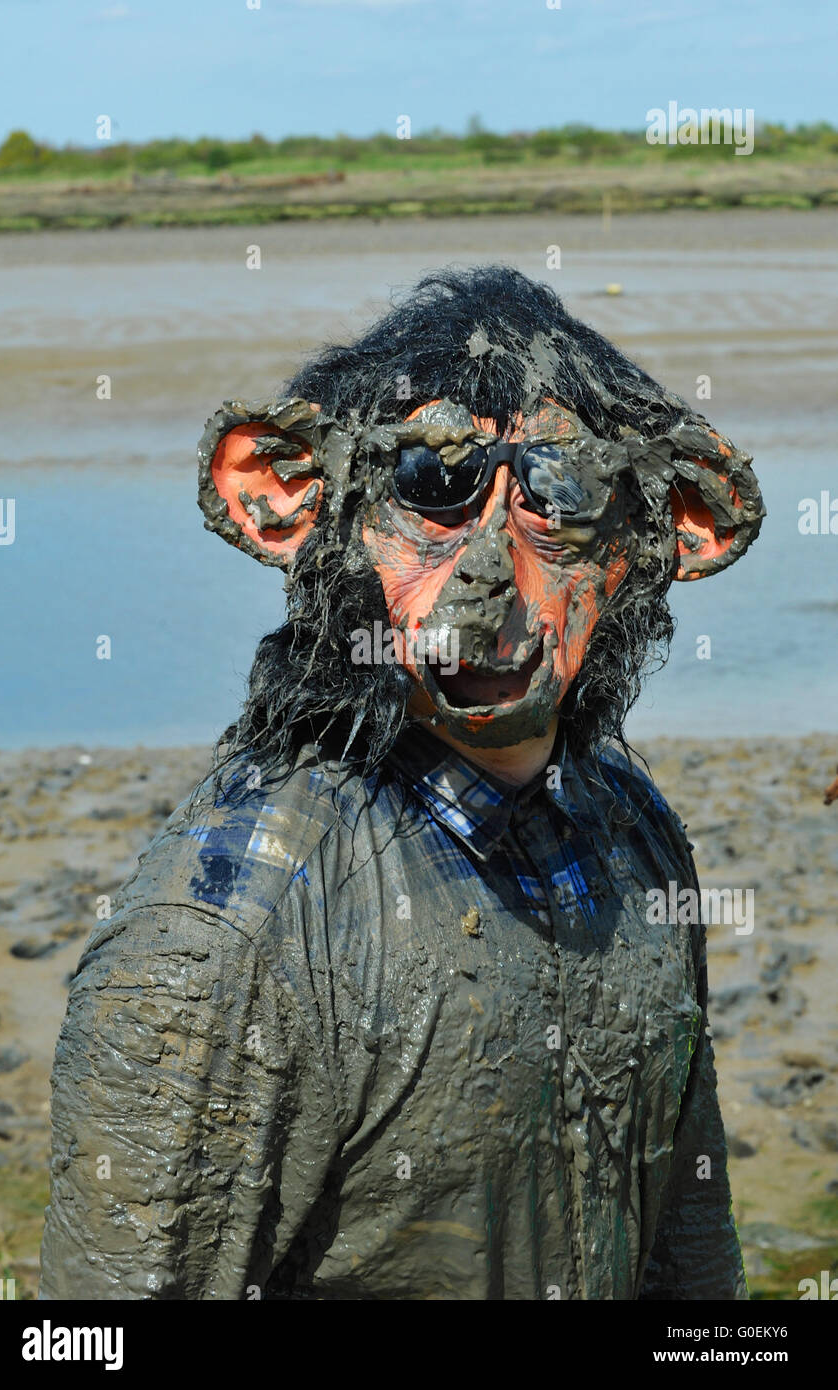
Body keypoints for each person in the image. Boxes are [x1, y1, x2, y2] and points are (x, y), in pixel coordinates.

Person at [40, 266, 764, 1300]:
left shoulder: (633, 838)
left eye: (557, 495)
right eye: (429, 483)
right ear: (294, 504)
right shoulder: (230, 924)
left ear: (663, 532)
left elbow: (687, 1252)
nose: (487, 569)